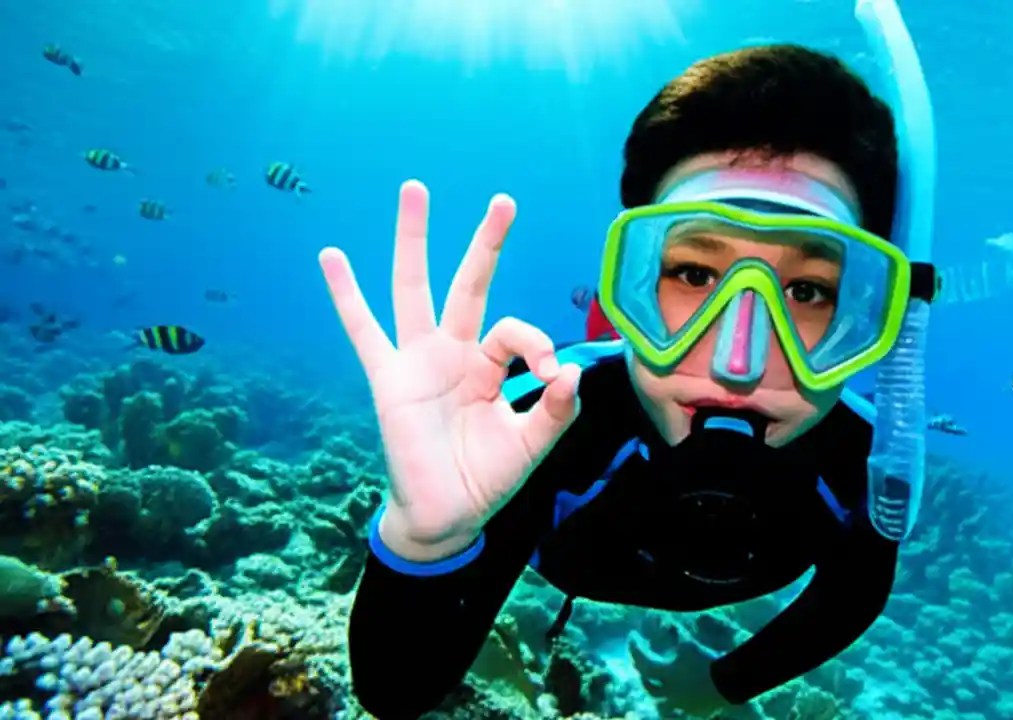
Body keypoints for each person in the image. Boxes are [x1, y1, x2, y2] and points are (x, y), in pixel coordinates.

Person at [320, 30, 939, 720]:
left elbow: (851, 596)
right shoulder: (540, 424)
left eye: (807, 292)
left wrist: (725, 683)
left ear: (867, 311)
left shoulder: (874, 462)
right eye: (693, 274)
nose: (738, 361)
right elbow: (396, 695)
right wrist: (426, 541)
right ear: (634, 282)